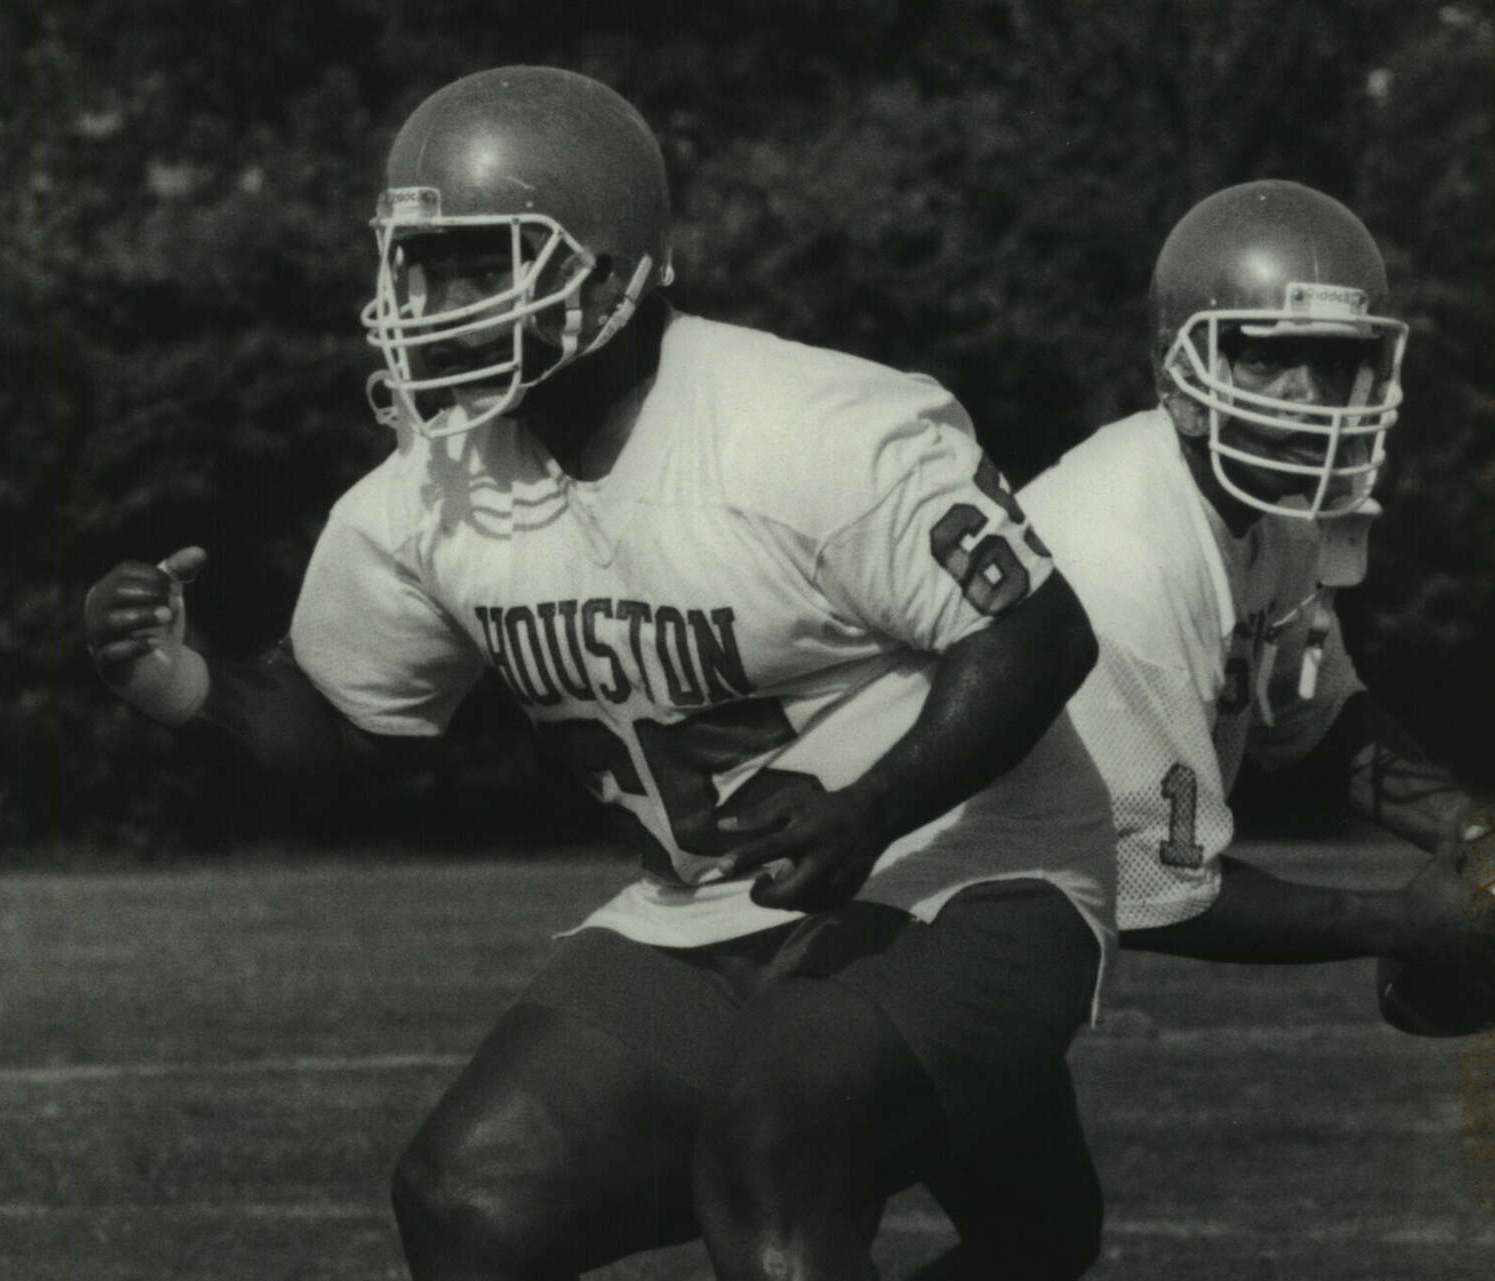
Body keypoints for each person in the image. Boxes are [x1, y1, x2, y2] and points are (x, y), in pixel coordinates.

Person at [84, 66, 1117, 1281]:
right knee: (471, 1196)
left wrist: (871, 804)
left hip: (965, 866)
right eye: (423, 267)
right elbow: (341, 722)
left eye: (483, 264)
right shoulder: (428, 495)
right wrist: (183, 681)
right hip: (719, 909)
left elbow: (1039, 636)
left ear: (614, 268)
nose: (438, 303)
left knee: (777, 1146)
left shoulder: (817, 425)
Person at [906, 180, 1495, 1280]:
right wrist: (1404, 923)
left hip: (991, 918)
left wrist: (1472, 829)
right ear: (1185, 368)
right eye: (1276, 356)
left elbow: (1315, 719)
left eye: (1340, 362)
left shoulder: (1271, 514)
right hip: (912, 919)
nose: (1317, 395)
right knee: (816, 1207)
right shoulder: (1123, 550)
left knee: (1036, 1236)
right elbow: (1157, 893)